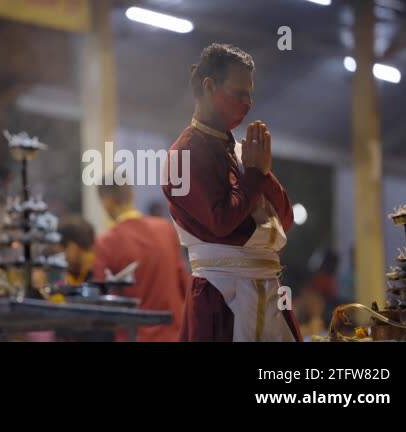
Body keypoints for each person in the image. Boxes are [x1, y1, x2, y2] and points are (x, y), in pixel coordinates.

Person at [162, 43, 301, 342]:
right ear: (210, 86)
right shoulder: (183, 155)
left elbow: (285, 220)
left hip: (269, 287)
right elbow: (221, 221)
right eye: (240, 93)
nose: (249, 103)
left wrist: (261, 174)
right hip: (220, 295)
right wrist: (254, 175)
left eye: (250, 94)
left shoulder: (241, 151)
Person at [94, 183, 189, 342]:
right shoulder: (165, 229)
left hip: (133, 336)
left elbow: (102, 301)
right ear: (132, 195)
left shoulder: (106, 242)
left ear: (107, 201)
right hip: (174, 334)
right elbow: (184, 284)